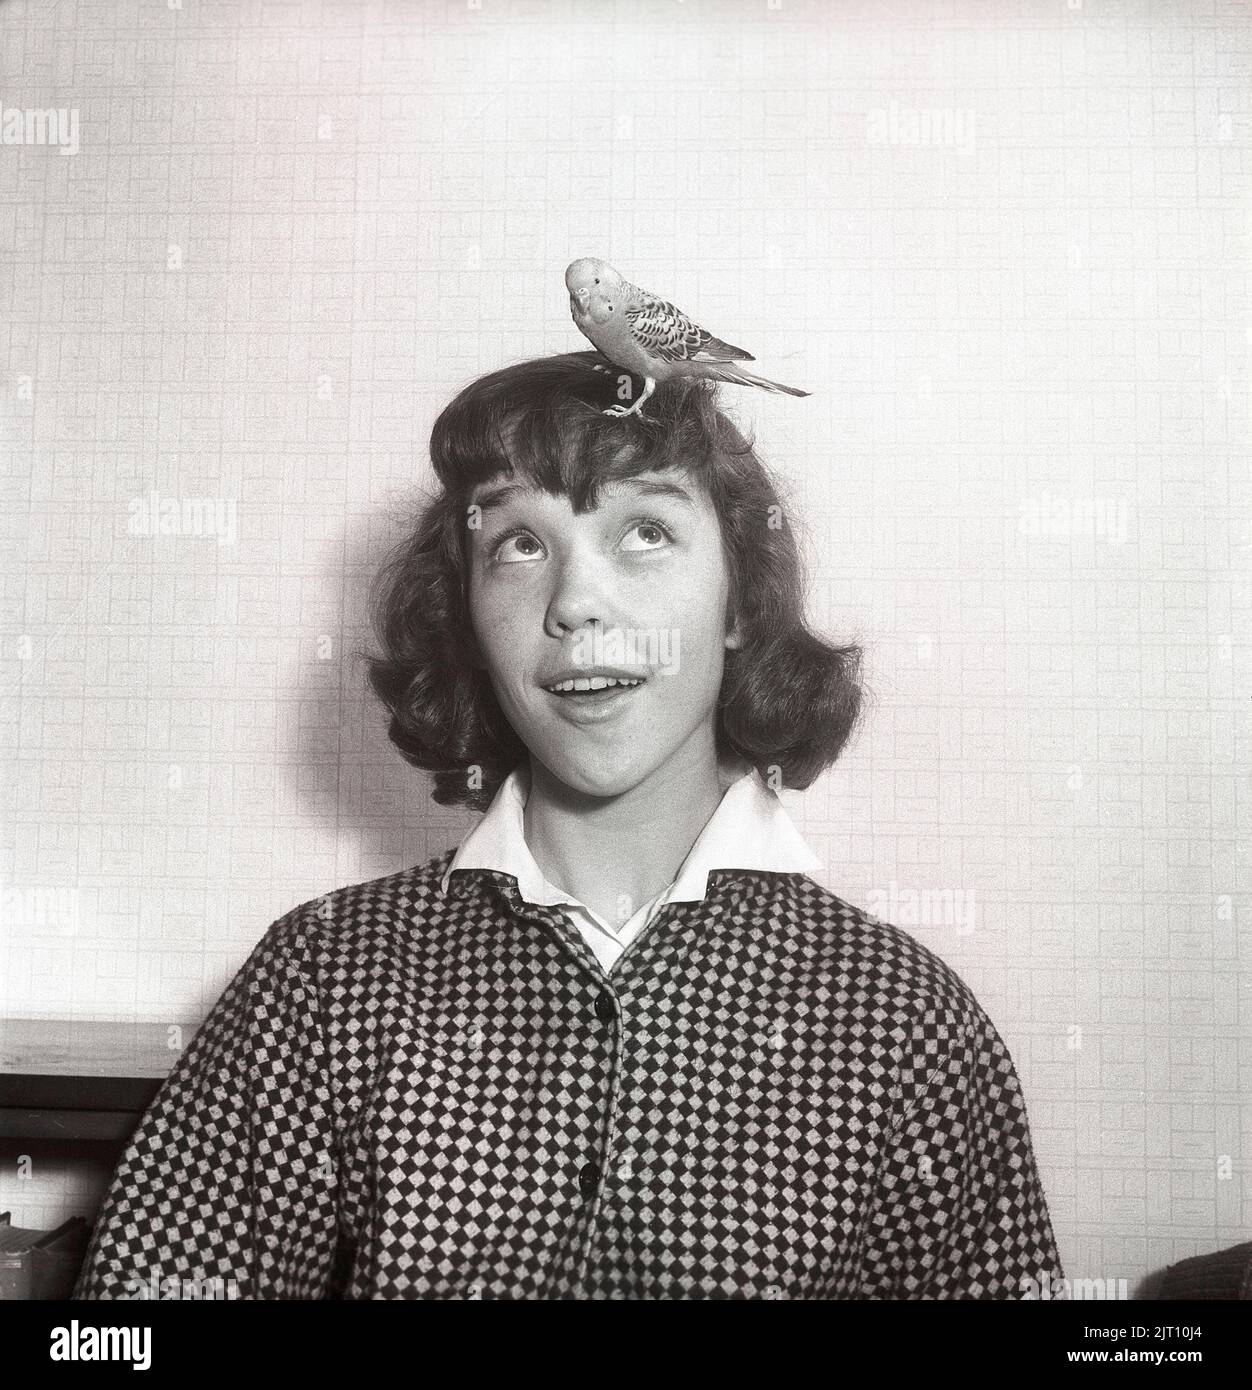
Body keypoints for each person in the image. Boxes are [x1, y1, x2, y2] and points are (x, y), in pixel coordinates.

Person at [75, 351, 1065, 1300]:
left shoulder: (909, 1026)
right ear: (466, 611)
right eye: (519, 542)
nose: (578, 602)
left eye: (646, 533)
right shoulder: (322, 978)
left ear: (738, 604)